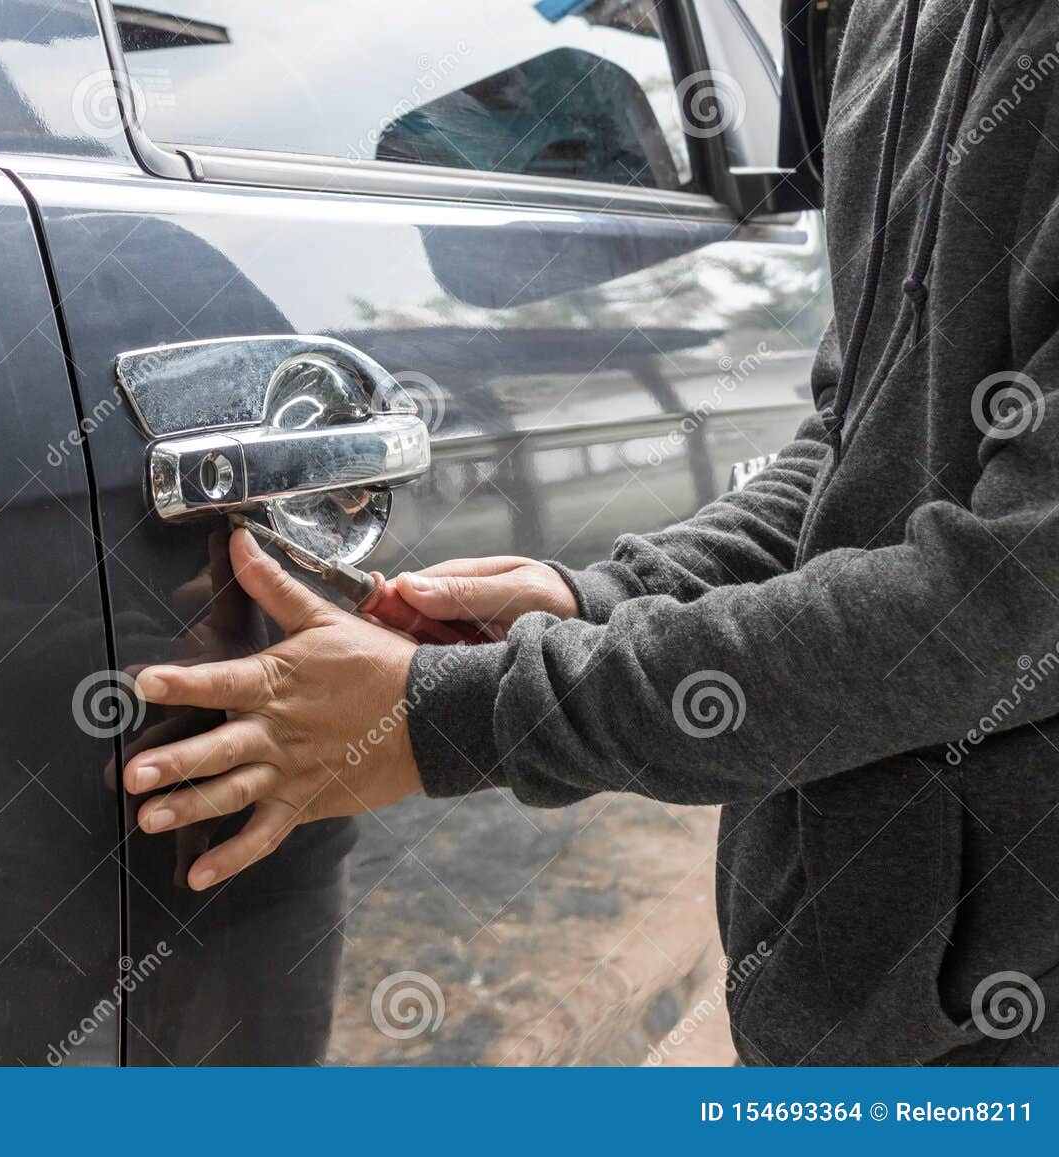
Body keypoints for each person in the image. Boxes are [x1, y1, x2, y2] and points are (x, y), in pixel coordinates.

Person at [123, 0, 1059, 1066]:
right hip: (856, 990)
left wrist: (458, 717)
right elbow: (855, 451)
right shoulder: (888, 27)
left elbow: (1005, 603)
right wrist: (595, 599)